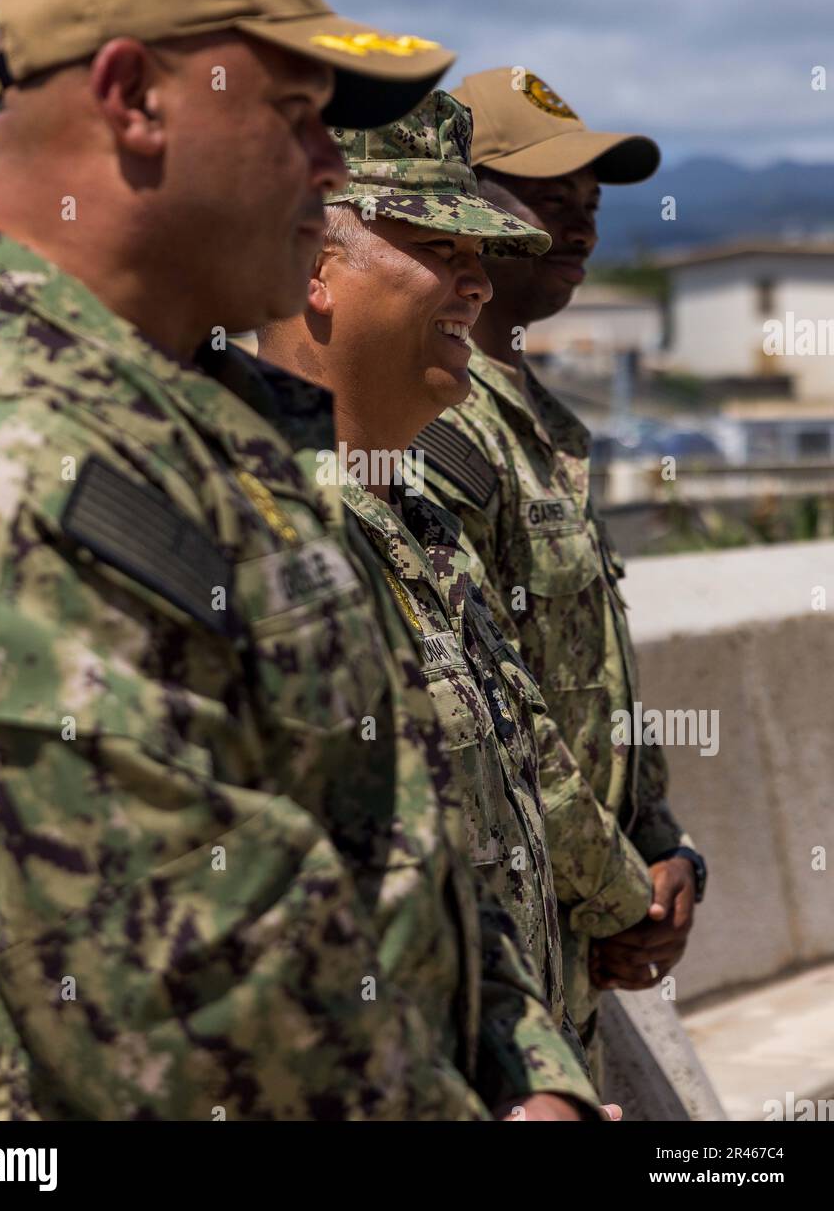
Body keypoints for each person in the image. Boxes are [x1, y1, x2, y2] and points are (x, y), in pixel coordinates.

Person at [0, 0, 591, 1122]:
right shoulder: (1, 452)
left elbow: (396, 815)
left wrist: (523, 1064)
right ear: (132, 96)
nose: (332, 169)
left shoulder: (196, 413)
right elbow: (204, 1018)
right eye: (296, 116)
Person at [258, 90, 647, 1116]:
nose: (477, 278)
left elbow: (513, 768)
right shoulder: (268, 536)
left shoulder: (408, 510)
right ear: (314, 265)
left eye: (481, 248)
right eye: (438, 243)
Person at [417, 67, 707, 1079]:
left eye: (590, 206)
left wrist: (666, 844)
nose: (580, 229)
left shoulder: (540, 428)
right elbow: (490, 714)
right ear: (455, 200)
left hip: (567, 950)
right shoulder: (433, 428)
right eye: (550, 199)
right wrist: (624, 893)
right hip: (499, 956)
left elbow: (593, 670)